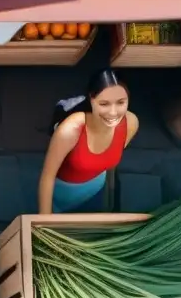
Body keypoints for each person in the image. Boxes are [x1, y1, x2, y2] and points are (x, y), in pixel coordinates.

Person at [38, 69, 139, 214]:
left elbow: (110, 155)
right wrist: (44, 222)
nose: (113, 112)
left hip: (95, 190)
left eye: (121, 102)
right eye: (104, 104)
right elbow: (47, 177)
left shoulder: (131, 123)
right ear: (92, 100)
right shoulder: (71, 128)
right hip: (61, 194)